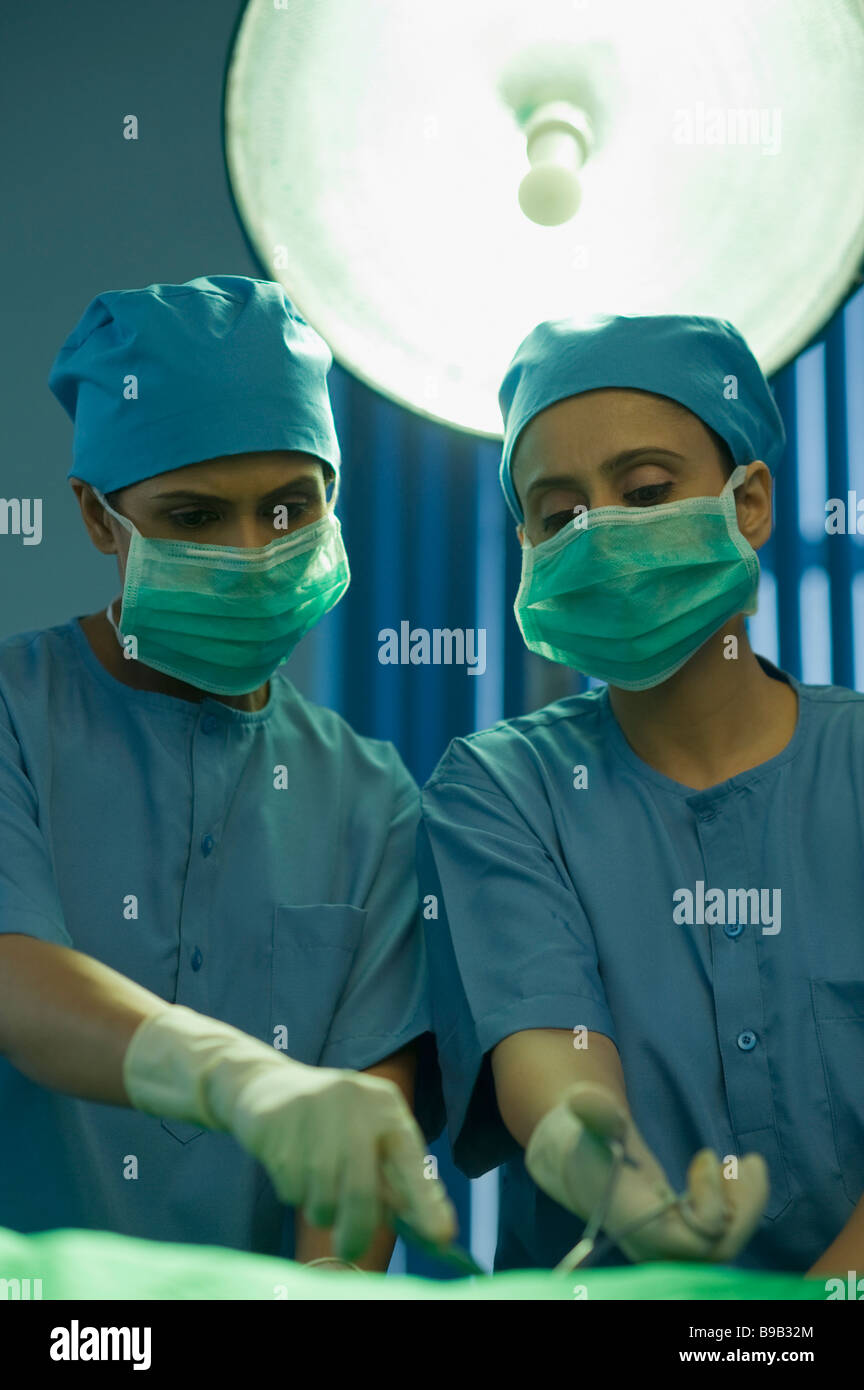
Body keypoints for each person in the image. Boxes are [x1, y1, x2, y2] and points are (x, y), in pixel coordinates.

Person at [0, 275, 455, 1270]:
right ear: (94, 516)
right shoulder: (13, 712)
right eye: (196, 517)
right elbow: (15, 981)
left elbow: (352, 1171)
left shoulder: (374, 805)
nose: (253, 551)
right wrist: (235, 1077)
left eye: (290, 507)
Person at [419, 312, 864, 1275]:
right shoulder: (501, 790)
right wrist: (619, 1187)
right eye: (560, 513)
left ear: (747, 503)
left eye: (647, 489)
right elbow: (551, 1058)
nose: (603, 531)